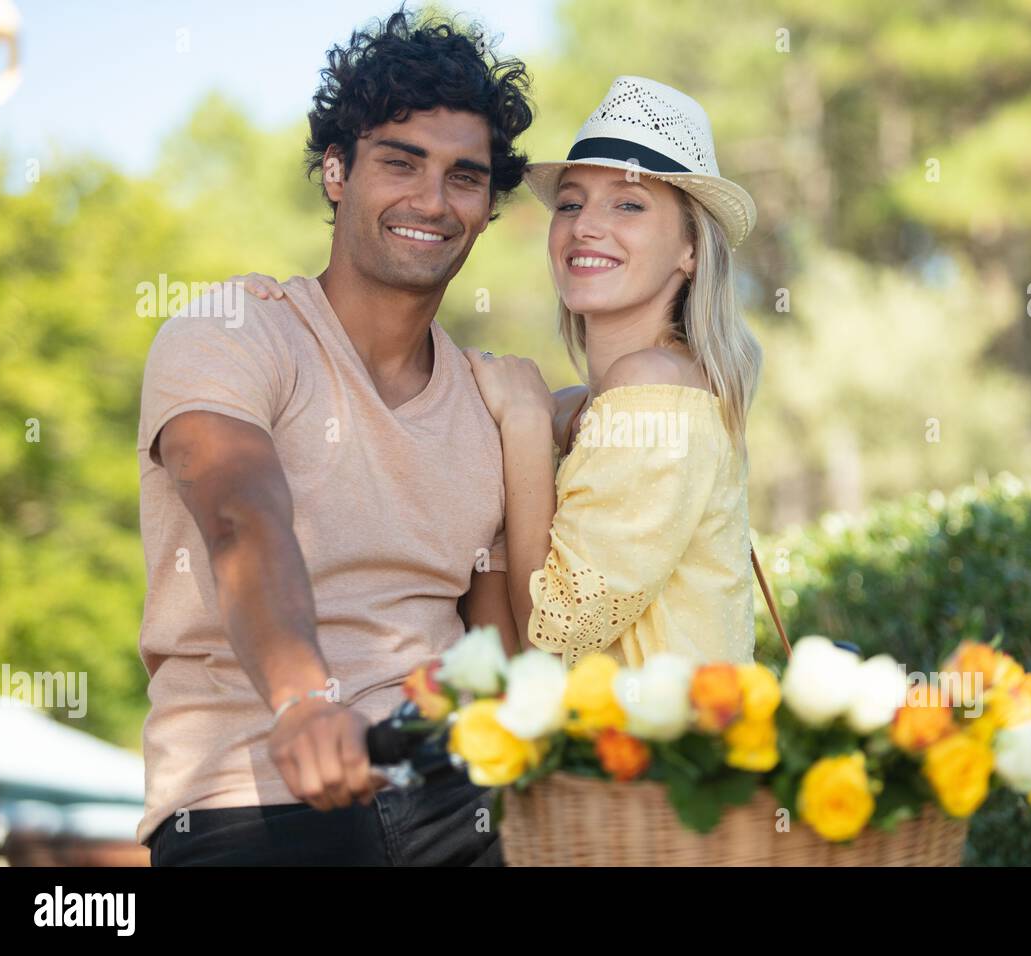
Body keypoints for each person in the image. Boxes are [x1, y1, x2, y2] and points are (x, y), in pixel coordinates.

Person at [135, 10, 532, 865]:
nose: (432, 200)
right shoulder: (236, 330)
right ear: (336, 172)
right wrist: (303, 702)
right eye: (400, 162)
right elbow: (244, 516)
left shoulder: (489, 401)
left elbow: (499, 646)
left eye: (465, 177)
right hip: (253, 797)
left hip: (452, 795)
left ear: (489, 206)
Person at [465, 75, 762, 669]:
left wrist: (523, 422)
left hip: (652, 759)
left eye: (628, 203)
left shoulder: (653, 392)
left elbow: (557, 633)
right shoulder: (587, 406)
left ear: (691, 250)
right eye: (571, 202)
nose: (584, 225)